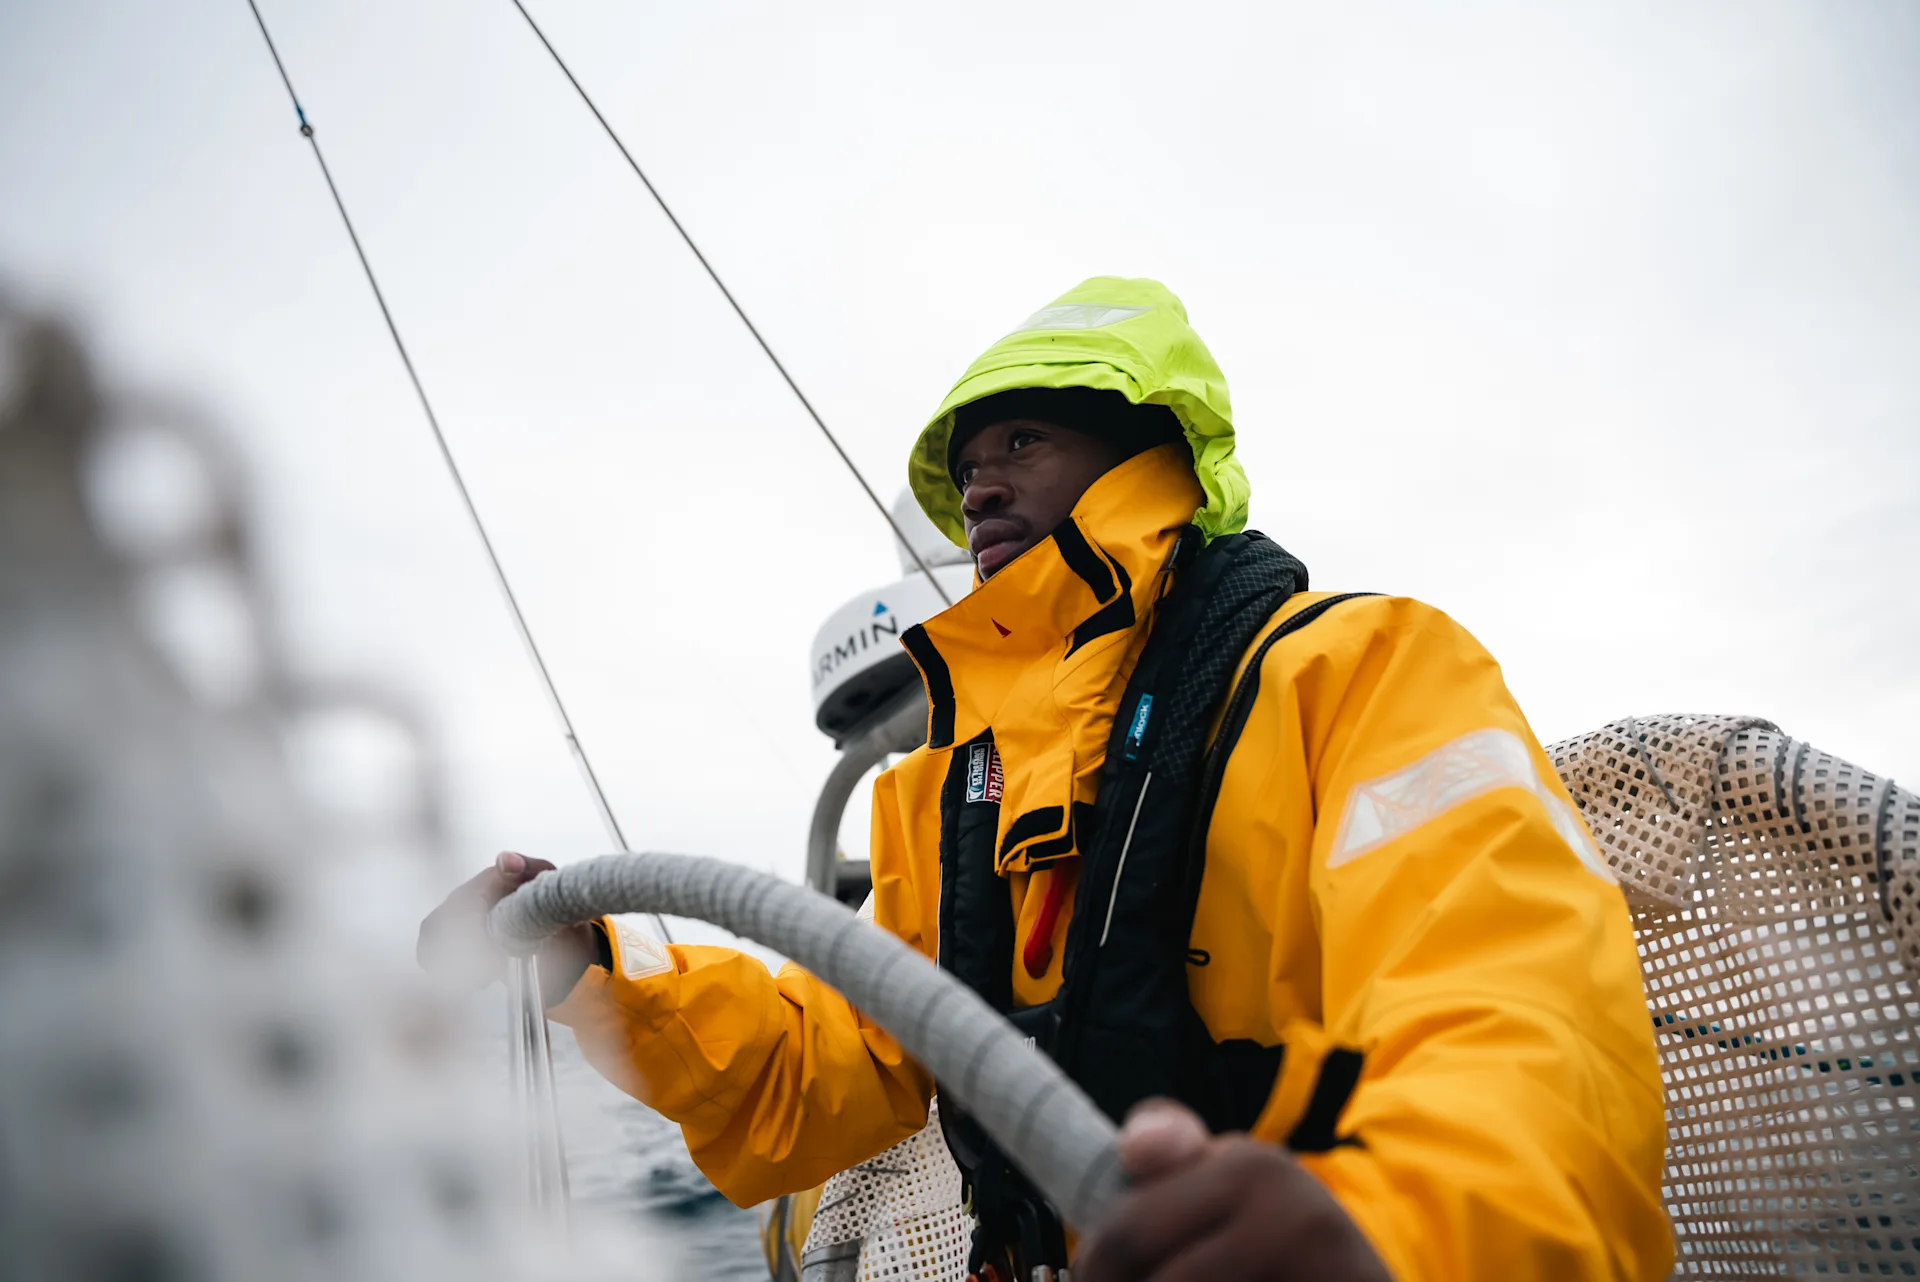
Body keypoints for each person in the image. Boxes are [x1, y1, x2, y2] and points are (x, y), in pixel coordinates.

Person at [421, 277, 1671, 1280]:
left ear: (1147, 458)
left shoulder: (1365, 674)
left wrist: (1394, 1231)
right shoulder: (939, 796)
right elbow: (826, 1070)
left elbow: (1519, 1011)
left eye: (1024, 436)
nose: (981, 483)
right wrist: (603, 977)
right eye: (969, 461)